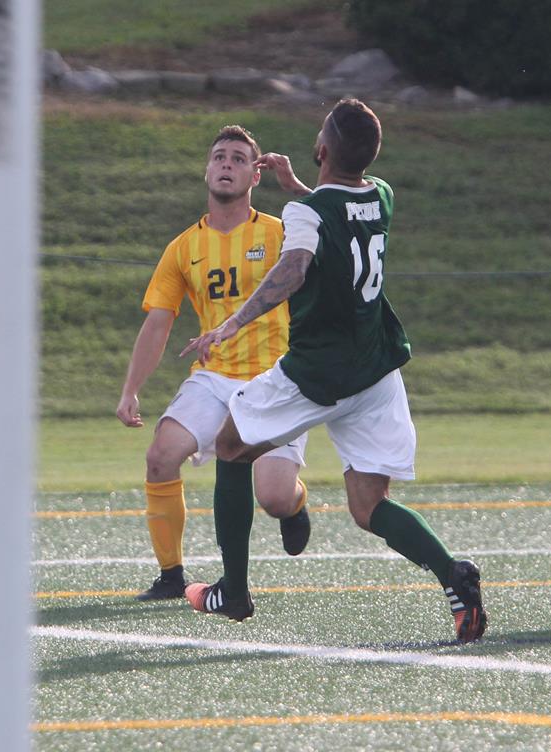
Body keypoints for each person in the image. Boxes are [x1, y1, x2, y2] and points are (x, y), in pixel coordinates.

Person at [181, 99, 487, 643]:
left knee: (230, 446)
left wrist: (231, 324)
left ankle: (234, 589)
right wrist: (299, 185)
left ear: (321, 149)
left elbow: (296, 264)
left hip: (319, 373)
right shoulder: (381, 195)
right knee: (370, 507)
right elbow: (335, 213)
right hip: (377, 371)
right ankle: (455, 577)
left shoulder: (307, 214)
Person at [116, 125, 311, 601]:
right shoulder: (183, 248)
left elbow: (333, 236)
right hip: (213, 377)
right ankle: (170, 575)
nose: (227, 164)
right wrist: (130, 390)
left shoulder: (281, 232)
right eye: (219, 156)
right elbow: (159, 322)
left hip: (275, 380)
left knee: (273, 497)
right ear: (206, 170)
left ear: (255, 175)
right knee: (161, 456)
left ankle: (295, 505)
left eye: (239, 158)